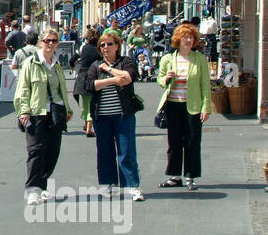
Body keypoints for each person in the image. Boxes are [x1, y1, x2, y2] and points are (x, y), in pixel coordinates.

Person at [14, 27, 72, 205]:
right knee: (36, 151)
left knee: (53, 151)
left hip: (55, 111)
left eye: (54, 41)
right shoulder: (31, 64)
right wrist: (23, 111)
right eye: (47, 41)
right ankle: (33, 189)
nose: (51, 44)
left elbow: (61, 89)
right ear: (41, 42)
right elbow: (23, 89)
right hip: (36, 111)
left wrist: (68, 110)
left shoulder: (57, 65)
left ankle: (43, 186)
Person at [87, 29, 144, 201]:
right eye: (102, 45)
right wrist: (112, 80)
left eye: (109, 44)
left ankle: (131, 186)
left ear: (117, 46)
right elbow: (90, 85)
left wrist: (109, 70)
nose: (105, 47)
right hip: (101, 115)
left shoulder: (125, 61)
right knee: (105, 151)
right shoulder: (95, 65)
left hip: (123, 114)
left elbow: (129, 77)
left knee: (127, 151)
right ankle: (109, 184)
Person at [156, 22, 212, 190]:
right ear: (177, 40)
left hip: (192, 105)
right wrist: (166, 79)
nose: (188, 40)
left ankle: (190, 176)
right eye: (185, 37)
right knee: (174, 142)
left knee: (192, 141)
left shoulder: (199, 59)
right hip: (173, 105)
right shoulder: (168, 59)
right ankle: (174, 176)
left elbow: (205, 85)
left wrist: (206, 107)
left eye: (191, 37)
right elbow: (160, 80)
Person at [73, 25, 100, 137]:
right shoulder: (99, 50)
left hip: (82, 76)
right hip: (94, 76)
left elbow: (72, 59)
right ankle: (89, 126)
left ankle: (86, 124)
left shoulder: (83, 48)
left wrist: (73, 68)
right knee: (93, 103)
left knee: (85, 103)